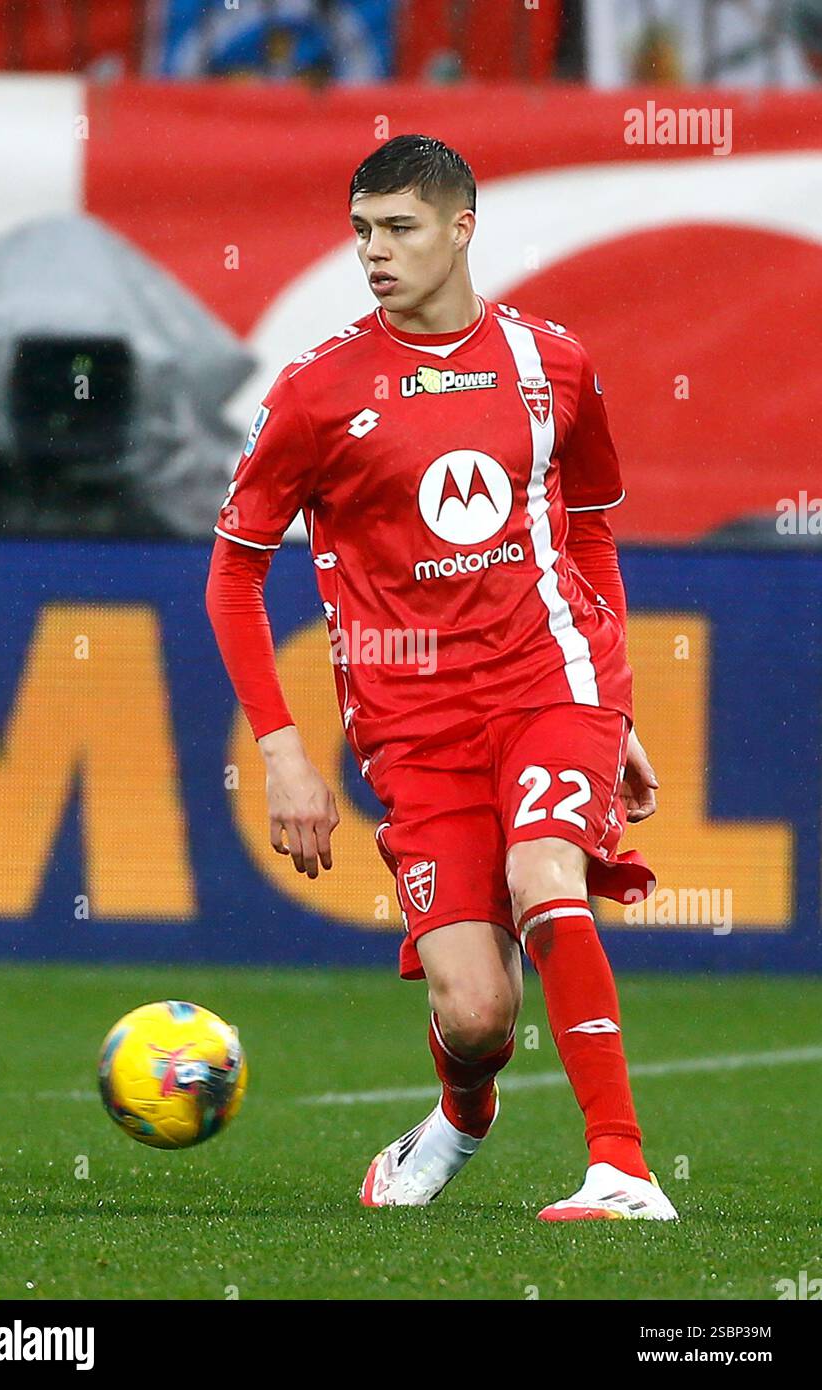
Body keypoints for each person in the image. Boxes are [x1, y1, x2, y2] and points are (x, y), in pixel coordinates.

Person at [206, 133, 678, 1220]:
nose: (375, 251)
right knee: (475, 1013)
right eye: (362, 231)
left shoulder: (552, 361)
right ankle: (464, 1112)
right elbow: (234, 574)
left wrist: (614, 702)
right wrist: (285, 755)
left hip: (547, 682)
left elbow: (590, 534)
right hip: (412, 725)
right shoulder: (318, 392)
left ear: (462, 228)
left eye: (399, 229)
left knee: (545, 873)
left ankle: (622, 1166)